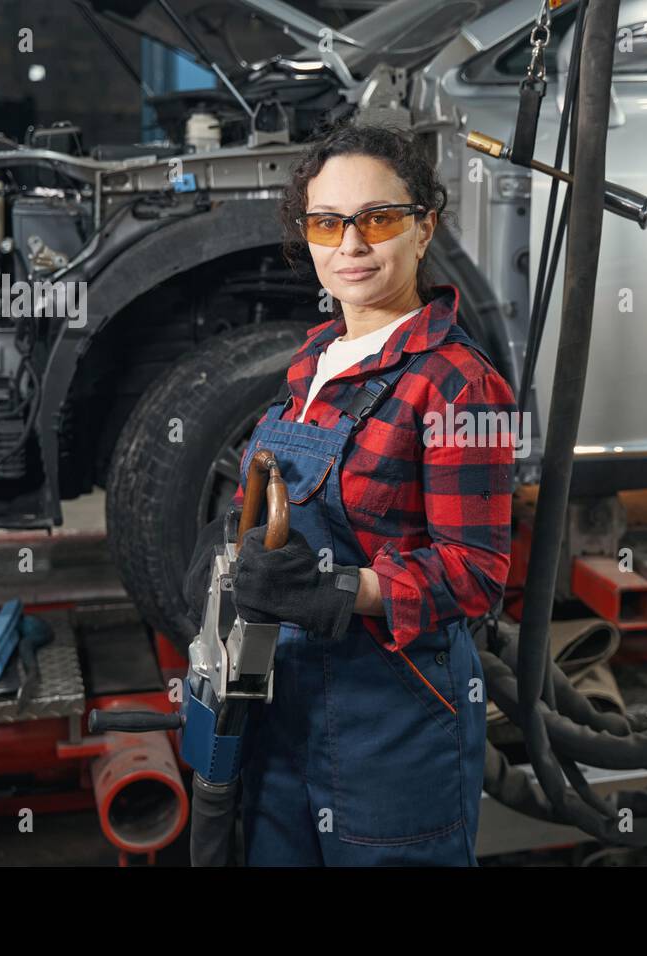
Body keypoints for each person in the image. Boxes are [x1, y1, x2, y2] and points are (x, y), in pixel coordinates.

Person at [182, 122, 517, 865]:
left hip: (390, 723)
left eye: (380, 219)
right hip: (280, 702)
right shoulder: (315, 357)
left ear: (425, 227)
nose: (352, 245)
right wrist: (223, 555)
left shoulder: (458, 382)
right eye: (328, 223)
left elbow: (476, 574)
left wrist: (338, 589)